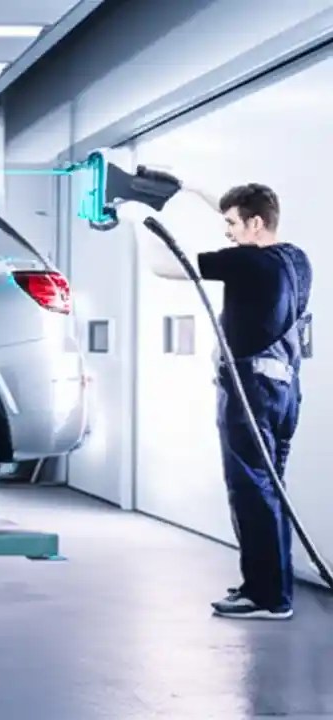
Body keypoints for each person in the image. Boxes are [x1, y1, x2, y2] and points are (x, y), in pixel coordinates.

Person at [124, 179, 311, 620]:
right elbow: (242, 214)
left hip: (250, 390)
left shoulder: (248, 263)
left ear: (256, 223)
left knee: (251, 489)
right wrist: (189, 188)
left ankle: (266, 598)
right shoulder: (295, 259)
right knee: (271, 489)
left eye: (231, 224)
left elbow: (167, 266)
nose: (226, 230)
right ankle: (269, 585)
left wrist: (136, 220)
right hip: (284, 389)